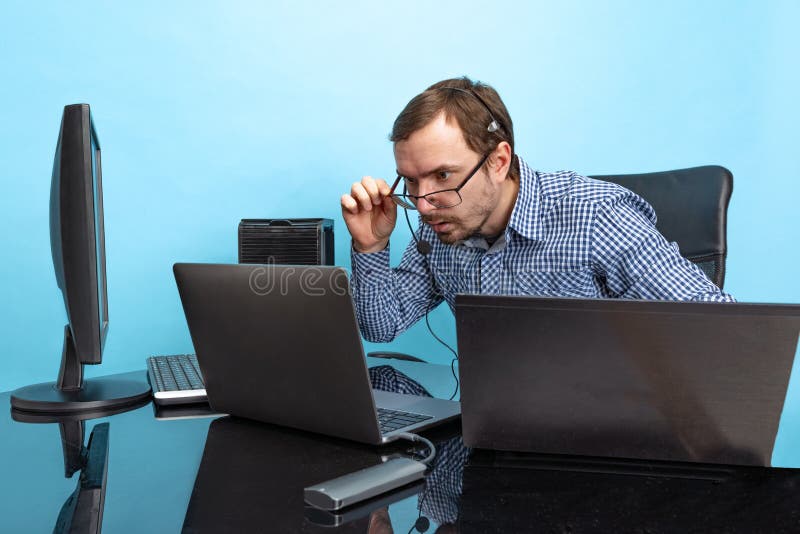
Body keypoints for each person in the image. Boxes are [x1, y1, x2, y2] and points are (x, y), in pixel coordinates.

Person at [341, 77, 734, 343]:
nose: (424, 202)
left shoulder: (595, 216)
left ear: (498, 161)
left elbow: (721, 329)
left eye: (443, 174)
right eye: (410, 180)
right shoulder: (438, 224)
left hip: (606, 433)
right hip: (493, 427)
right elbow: (381, 326)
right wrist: (372, 247)